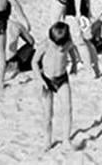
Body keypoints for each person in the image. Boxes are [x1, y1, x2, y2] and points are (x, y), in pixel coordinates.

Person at [33, 22, 79, 152]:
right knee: (48, 114)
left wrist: (74, 63)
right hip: (47, 81)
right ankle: (47, 140)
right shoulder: (45, 45)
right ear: (52, 40)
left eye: (62, 45)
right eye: (57, 45)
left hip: (62, 79)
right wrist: (39, 78)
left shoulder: (68, 43)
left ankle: (66, 140)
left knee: (68, 109)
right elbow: (34, 62)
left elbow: (72, 51)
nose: (60, 48)